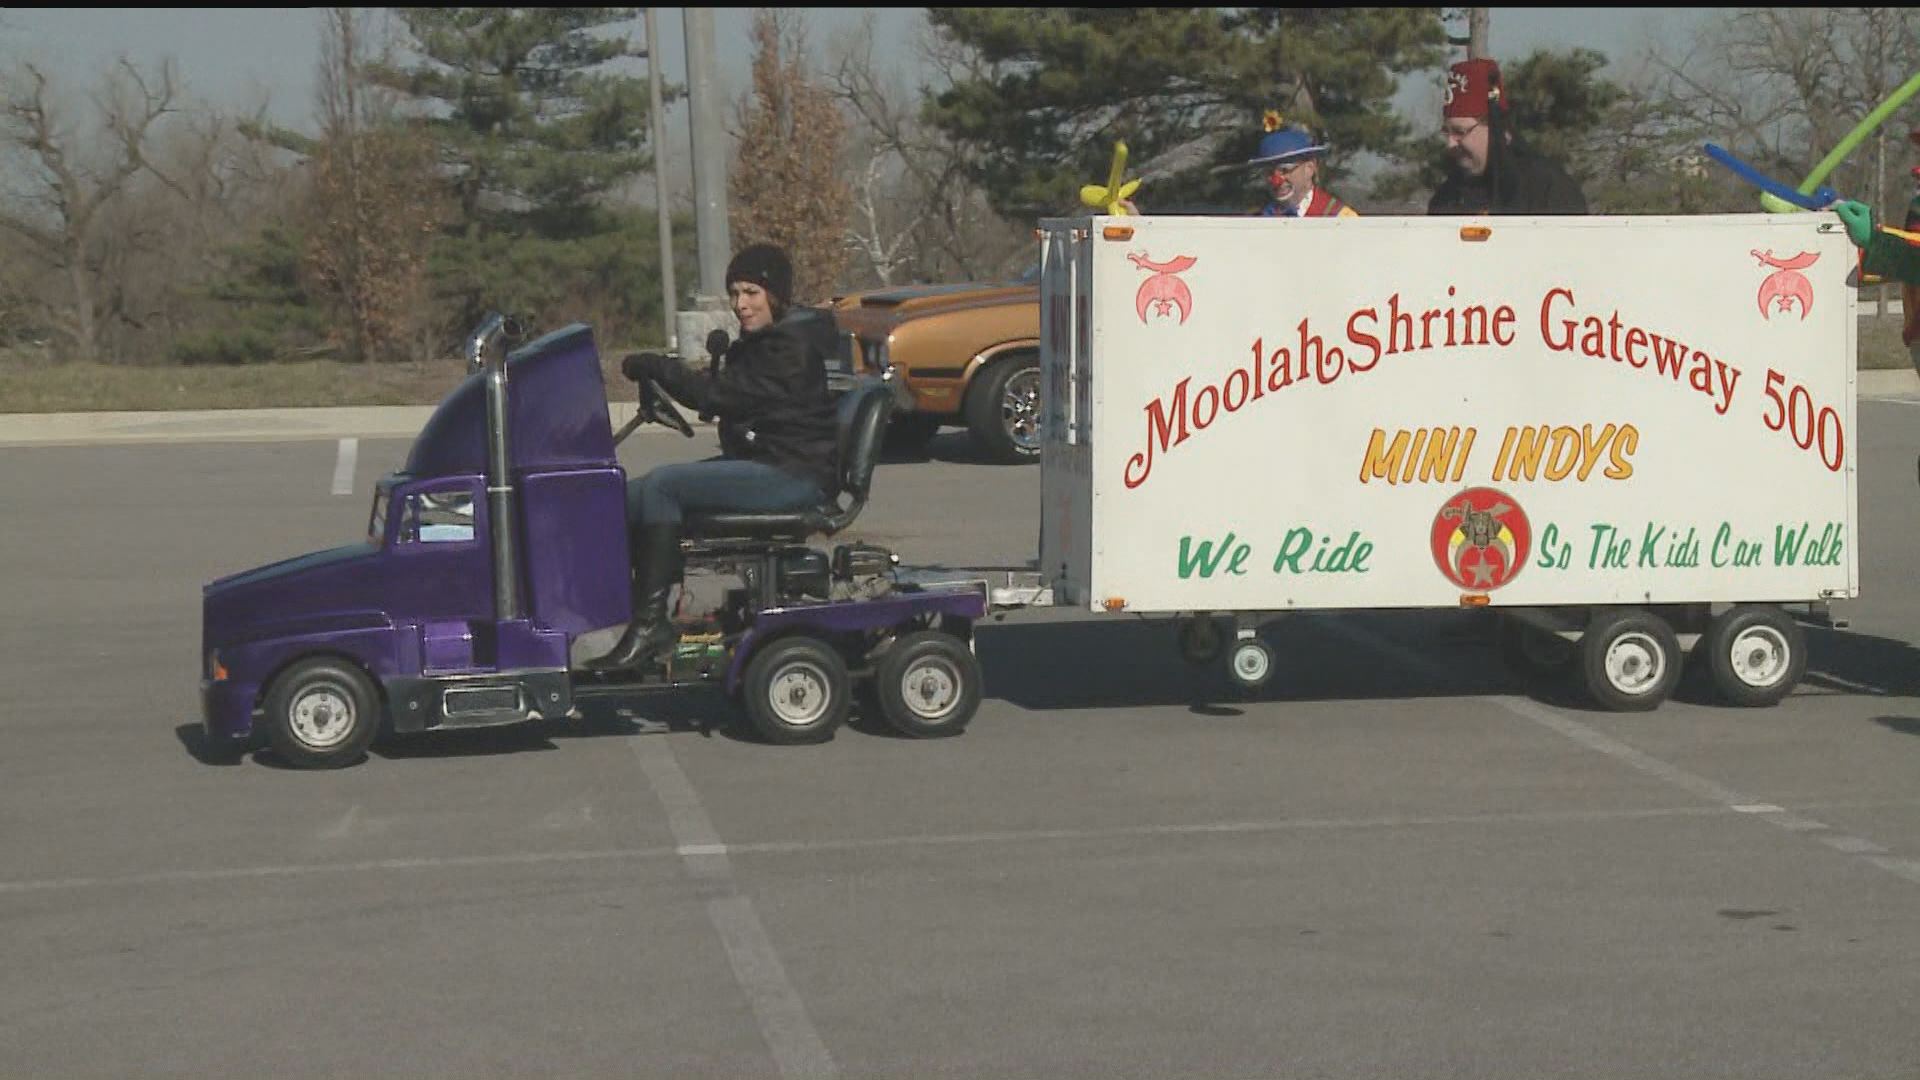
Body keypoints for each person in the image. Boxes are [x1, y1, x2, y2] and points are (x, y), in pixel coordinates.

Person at [585, 242, 840, 672]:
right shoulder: (766, 343)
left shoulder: (789, 349)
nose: (740, 305)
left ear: (775, 294)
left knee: (664, 486)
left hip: (791, 473)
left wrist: (660, 367)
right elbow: (719, 389)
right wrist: (667, 373)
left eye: (751, 293)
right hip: (766, 461)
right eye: (735, 294)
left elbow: (720, 396)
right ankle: (619, 613)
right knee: (630, 495)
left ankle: (650, 627)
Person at [1427, 57, 1587, 215]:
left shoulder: (1548, 190)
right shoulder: (1447, 198)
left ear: (1498, 130)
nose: (1450, 144)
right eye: (1447, 132)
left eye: (1460, 132)